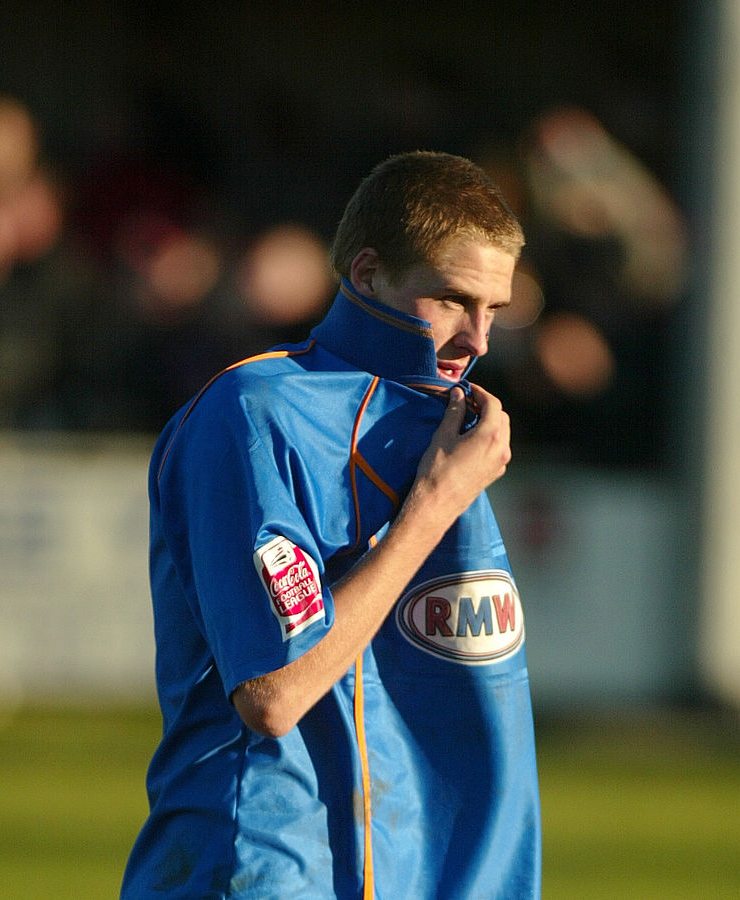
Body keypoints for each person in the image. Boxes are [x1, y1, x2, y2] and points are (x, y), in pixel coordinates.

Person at [121, 152, 541, 899]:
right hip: (273, 869)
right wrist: (433, 507)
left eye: (495, 311)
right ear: (370, 272)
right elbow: (274, 694)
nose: (477, 340)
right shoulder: (256, 414)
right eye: (451, 299)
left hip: (428, 872)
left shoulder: (452, 428)